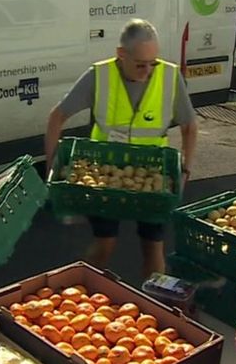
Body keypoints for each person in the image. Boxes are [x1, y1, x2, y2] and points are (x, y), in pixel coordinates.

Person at [43, 18, 198, 277]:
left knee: (153, 246)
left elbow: (190, 127)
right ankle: (84, 292)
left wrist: (186, 171)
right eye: (140, 64)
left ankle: (153, 306)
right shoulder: (99, 75)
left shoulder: (169, 76)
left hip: (153, 177)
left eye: (152, 63)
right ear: (121, 54)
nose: (147, 71)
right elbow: (56, 117)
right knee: (105, 243)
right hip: (106, 177)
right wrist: (52, 166)